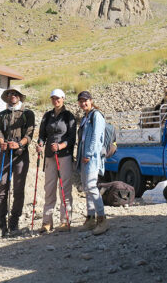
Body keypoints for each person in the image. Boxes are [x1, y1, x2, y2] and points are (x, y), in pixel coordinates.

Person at [0, 85, 35, 236]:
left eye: (15, 93)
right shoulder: (1, 115)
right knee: (2, 188)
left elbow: (29, 134)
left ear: (19, 96)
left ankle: (14, 222)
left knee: (18, 189)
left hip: (20, 155)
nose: (12, 95)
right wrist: (2, 143)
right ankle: (1, 225)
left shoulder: (27, 114)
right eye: (10, 93)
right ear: (7, 96)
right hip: (5, 154)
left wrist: (19, 144)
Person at [36, 89, 76, 233]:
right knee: (49, 187)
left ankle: (65, 221)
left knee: (64, 188)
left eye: (58, 98)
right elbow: (42, 135)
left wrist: (61, 145)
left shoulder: (69, 116)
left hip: (64, 155)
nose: (55, 100)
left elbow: (72, 137)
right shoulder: (47, 115)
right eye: (53, 98)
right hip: (49, 156)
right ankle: (47, 222)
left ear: (63, 98)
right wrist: (40, 144)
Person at [75, 91, 109, 235]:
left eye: (85, 100)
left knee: (91, 186)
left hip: (92, 157)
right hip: (84, 157)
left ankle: (102, 219)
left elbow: (96, 136)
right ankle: (90, 218)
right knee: (87, 188)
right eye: (81, 101)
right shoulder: (86, 117)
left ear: (91, 100)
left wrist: (88, 153)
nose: (83, 103)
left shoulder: (96, 115)